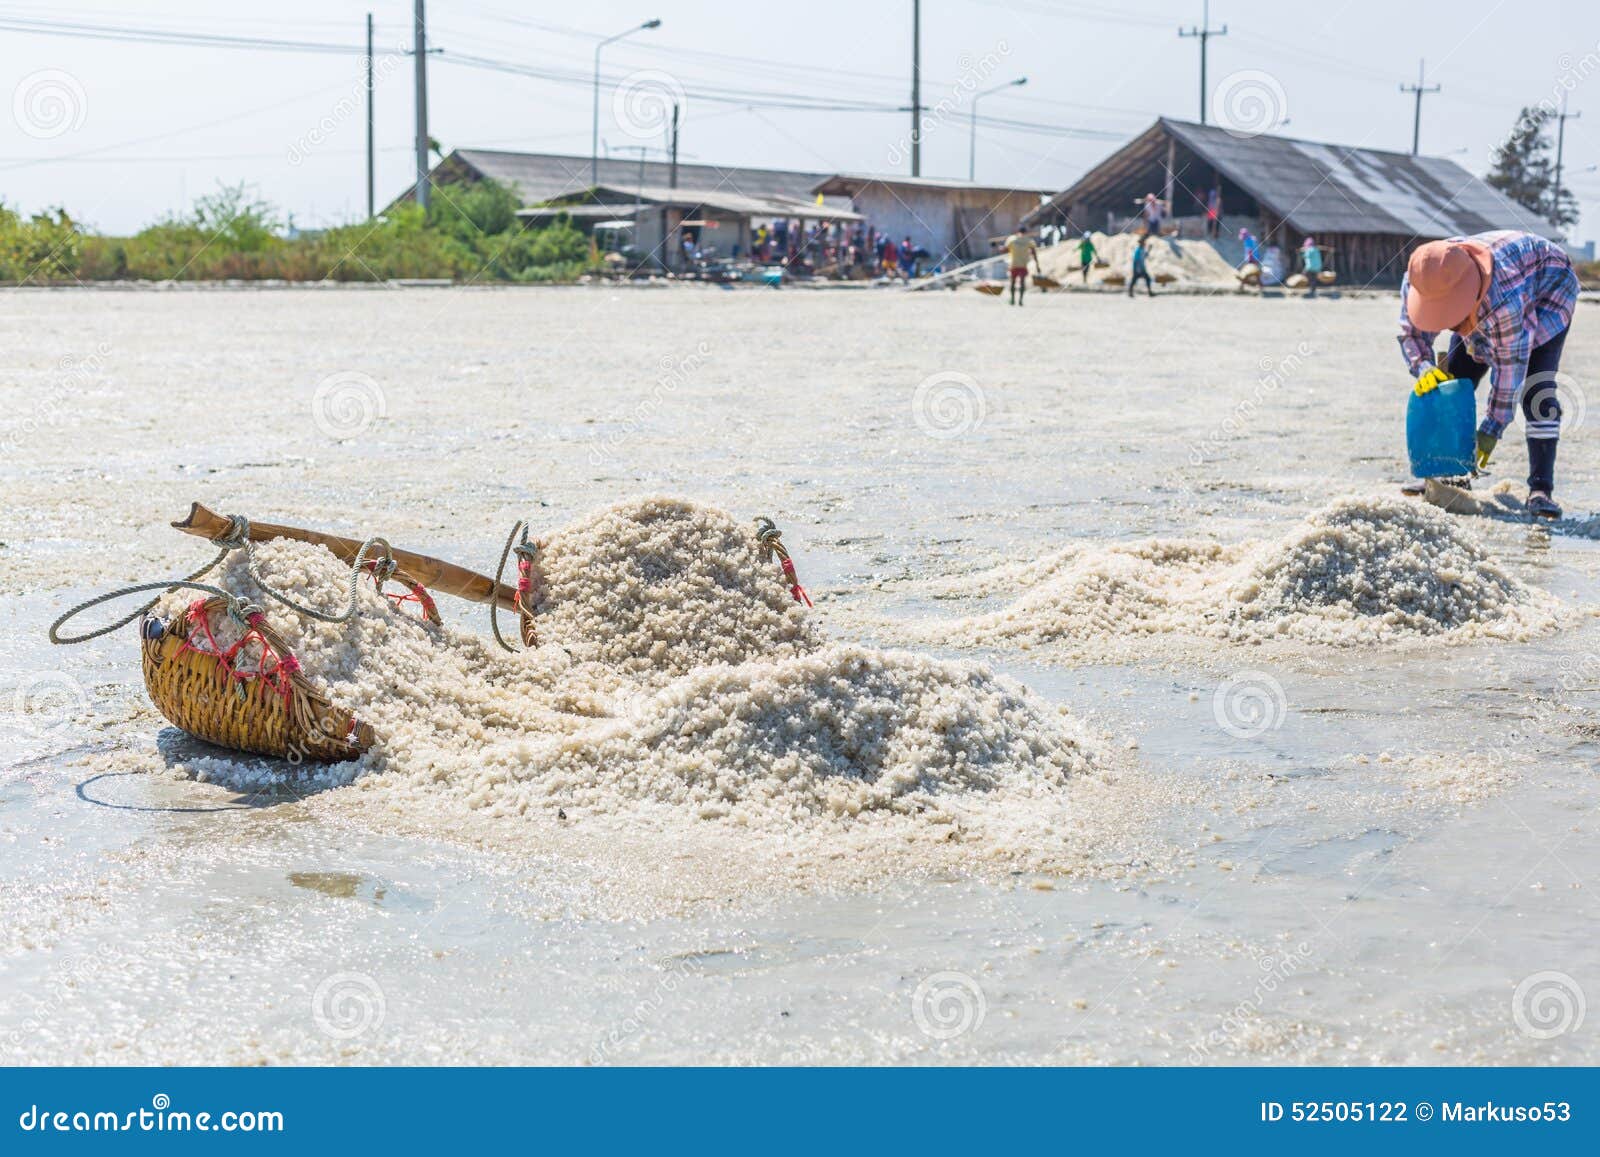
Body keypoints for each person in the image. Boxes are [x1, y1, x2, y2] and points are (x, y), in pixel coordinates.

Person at [1399, 231, 1578, 518]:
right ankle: (1450, 476)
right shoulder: (1422, 275)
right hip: (1498, 285)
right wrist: (1424, 367)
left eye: (1451, 315)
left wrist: (1491, 428)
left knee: (1536, 391)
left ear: (1470, 296)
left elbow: (1510, 368)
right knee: (1455, 380)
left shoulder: (1504, 300)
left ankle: (1541, 489)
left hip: (1550, 287)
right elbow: (1409, 333)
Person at [1003, 224, 1041, 305]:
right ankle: (1020, 300)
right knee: (1022, 282)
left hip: (1014, 264)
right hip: (1023, 264)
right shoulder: (1029, 241)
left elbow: (1004, 250)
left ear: (1017, 231)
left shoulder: (1011, 239)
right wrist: (1037, 265)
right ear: (1026, 232)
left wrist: (997, 247)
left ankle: (1012, 299)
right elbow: (1034, 253)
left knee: (1013, 282)